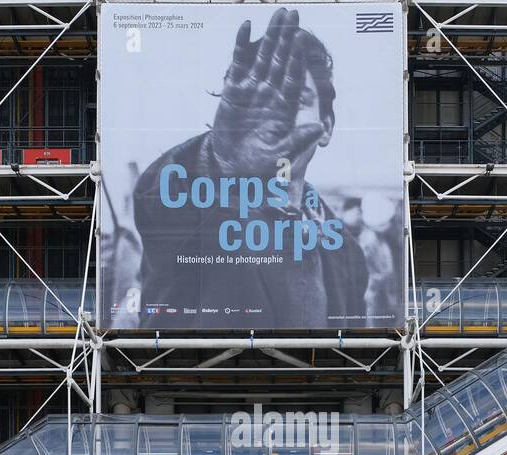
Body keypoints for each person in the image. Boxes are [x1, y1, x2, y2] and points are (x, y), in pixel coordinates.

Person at [130, 8, 371, 328]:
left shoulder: (347, 253)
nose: (276, 122)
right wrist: (226, 163)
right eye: (261, 105)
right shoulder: (190, 209)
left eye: (296, 102)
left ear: (325, 126)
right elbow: (159, 203)